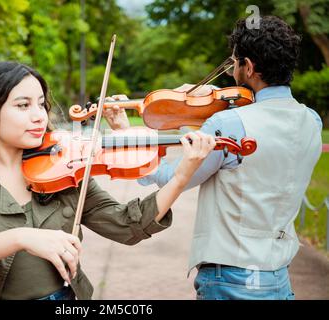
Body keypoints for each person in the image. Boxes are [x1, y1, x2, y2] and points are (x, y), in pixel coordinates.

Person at [0, 61, 216, 300]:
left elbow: (128, 225)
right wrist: (21, 237)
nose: (39, 116)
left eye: (41, 104)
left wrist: (180, 176)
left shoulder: (66, 167)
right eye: (23, 105)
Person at [106, 16, 322, 300]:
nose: (232, 72)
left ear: (250, 67)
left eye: (235, 63)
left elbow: (173, 178)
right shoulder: (312, 121)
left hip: (232, 275)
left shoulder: (230, 124)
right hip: (279, 274)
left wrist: (125, 134)